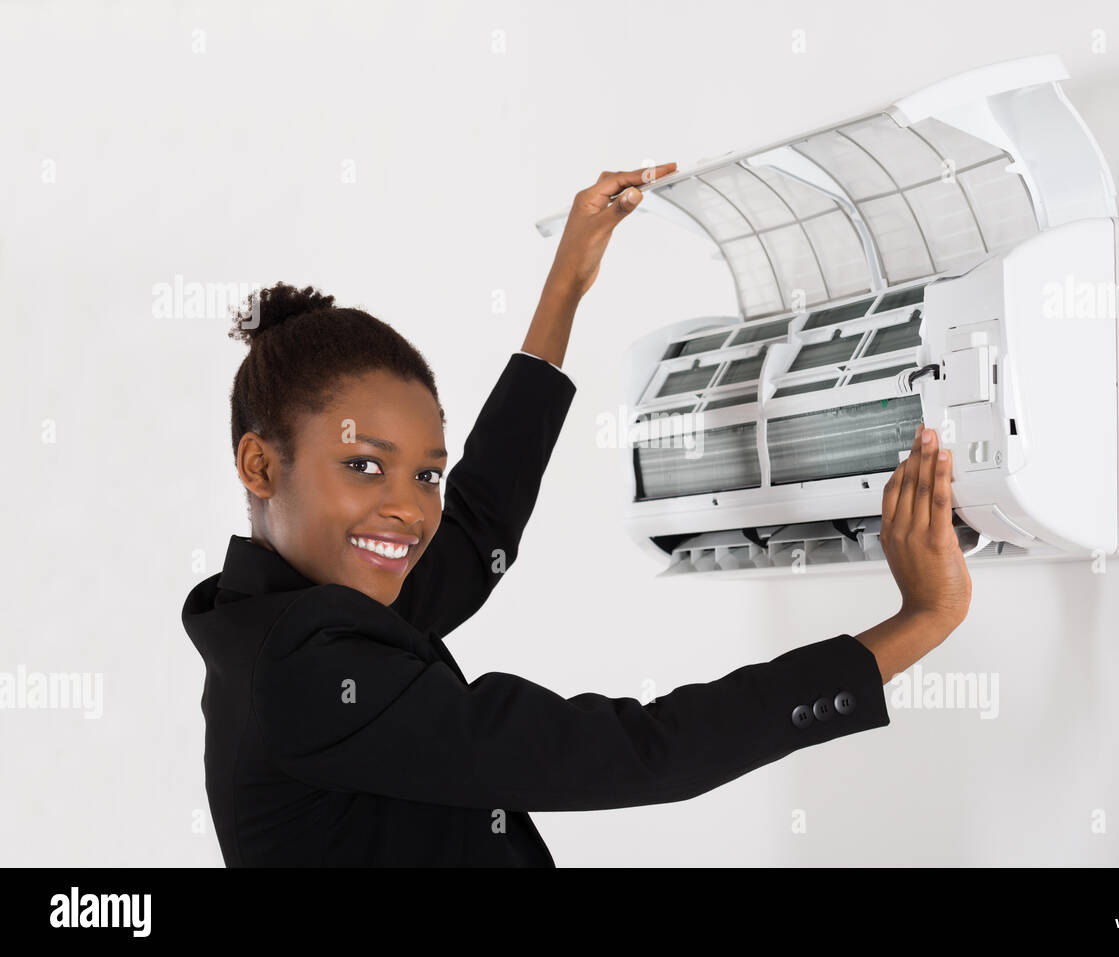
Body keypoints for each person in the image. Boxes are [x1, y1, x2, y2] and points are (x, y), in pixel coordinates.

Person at [181, 163, 972, 866]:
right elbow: (637, 754)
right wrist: (921, 621)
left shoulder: (293, 613)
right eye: (364, 465)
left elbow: (477, 525)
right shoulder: (307, 669)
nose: (408, 508)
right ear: (259, 464)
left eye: (427, 473)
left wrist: (566, 285)